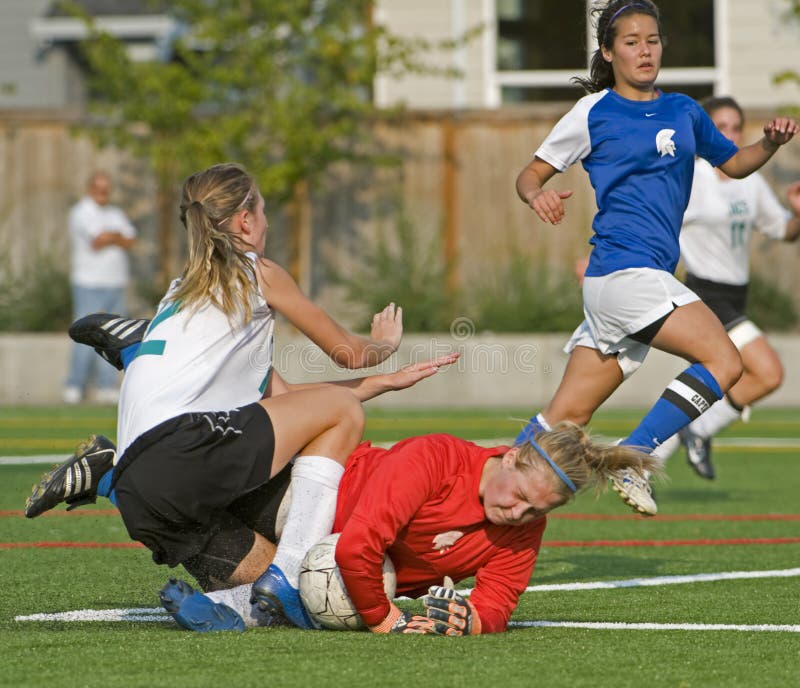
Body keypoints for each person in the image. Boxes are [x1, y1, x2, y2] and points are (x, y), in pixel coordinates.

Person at [46, 162, 419, 631]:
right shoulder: (258, 272)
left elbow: (281, 402)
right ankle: (289, 570)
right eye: (261, 209)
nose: (265, 219)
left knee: (284, 595)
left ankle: (233, 602)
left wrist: (378, 386)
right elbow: (348, 353)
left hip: (139, 491)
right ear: (245, 220)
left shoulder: (181, 293)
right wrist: (385, 346)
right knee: (341, 418)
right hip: (184, 455)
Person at [513, 0, 798, 516]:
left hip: (626, 284)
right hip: (625, 274)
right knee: (725, 360)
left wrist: (770, 144)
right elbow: (529, 175)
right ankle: (635, 456)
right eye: (630, 41)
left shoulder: (685, 111)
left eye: (652, 40)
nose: (644, 50)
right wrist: (539, 195)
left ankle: (473, 496)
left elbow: (733, 165)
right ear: (608, 51)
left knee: (561, 420)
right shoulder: (593, 112)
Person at [158, 421, 658, 635]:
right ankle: (114, 471)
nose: (520, 514)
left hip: (322, 563)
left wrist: (472, 621)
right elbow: (358, 547)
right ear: (509, 458)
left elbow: (499, 600)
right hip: (302, 498)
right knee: (173, 502)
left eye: (537, 512)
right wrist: (382, 618)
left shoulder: (524, 525)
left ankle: (233, 611)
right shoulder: (435, 458)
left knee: (281, 585)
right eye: (521, 496)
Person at [653, 96, 800, 479]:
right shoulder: (692, 178)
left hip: (735, 296)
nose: (731, 135)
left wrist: (798, 214)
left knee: (704, 388)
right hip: (705, 294)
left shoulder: (749, 181)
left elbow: (782, 231)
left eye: (737, 127)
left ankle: (643, 463)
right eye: (721, 128)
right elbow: (652, 221)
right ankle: (697, 432)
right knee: (767, 372)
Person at [64, 172, 137, 405]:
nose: (103, 193)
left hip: (115, 283)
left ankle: (107, 386)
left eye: (106, 189)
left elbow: (130, 241)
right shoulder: (81, 212)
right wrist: (117, 236)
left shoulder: (115, 213)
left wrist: (112, 237)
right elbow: (98, 241)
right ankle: (75, 385)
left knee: (113, 336)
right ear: (90, 188)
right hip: (89, 283)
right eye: (99, 189)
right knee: (84, 333)